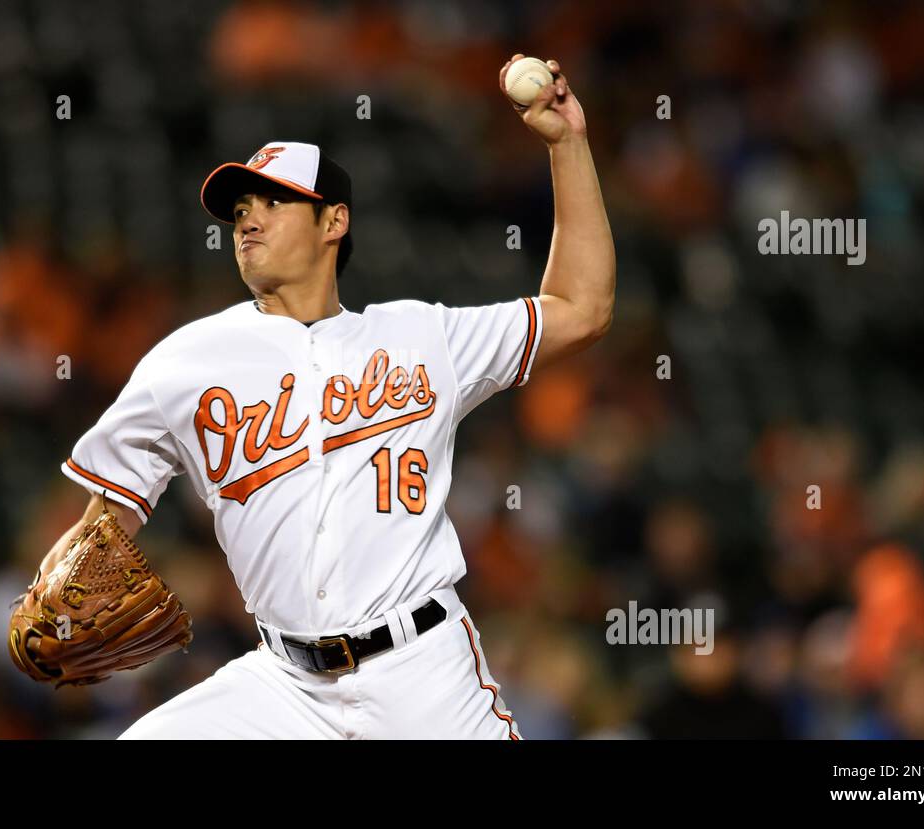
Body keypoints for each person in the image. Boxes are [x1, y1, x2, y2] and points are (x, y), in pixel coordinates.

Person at [41, 54, 614, 738]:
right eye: (240, 209)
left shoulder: (420, 335)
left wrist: (567, 144)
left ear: (334, 221)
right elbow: (104, 524)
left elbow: (581, 307)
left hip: (422, 672)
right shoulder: (184, 362)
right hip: (282, 684)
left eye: (274, 201)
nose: (248, 220)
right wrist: (67, 588)